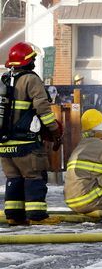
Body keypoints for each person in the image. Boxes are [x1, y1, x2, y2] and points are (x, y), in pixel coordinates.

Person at [0, 42, 62, 224]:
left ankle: (13, 217)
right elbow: (42, 107)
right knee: (34, 177)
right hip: (26, 144)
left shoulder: (4, 79)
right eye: (32, 58)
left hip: (4, 145)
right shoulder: (31, 79)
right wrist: (54, 129)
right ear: (26, 61)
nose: (34, 61)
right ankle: (37, 217)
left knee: (14, 179)